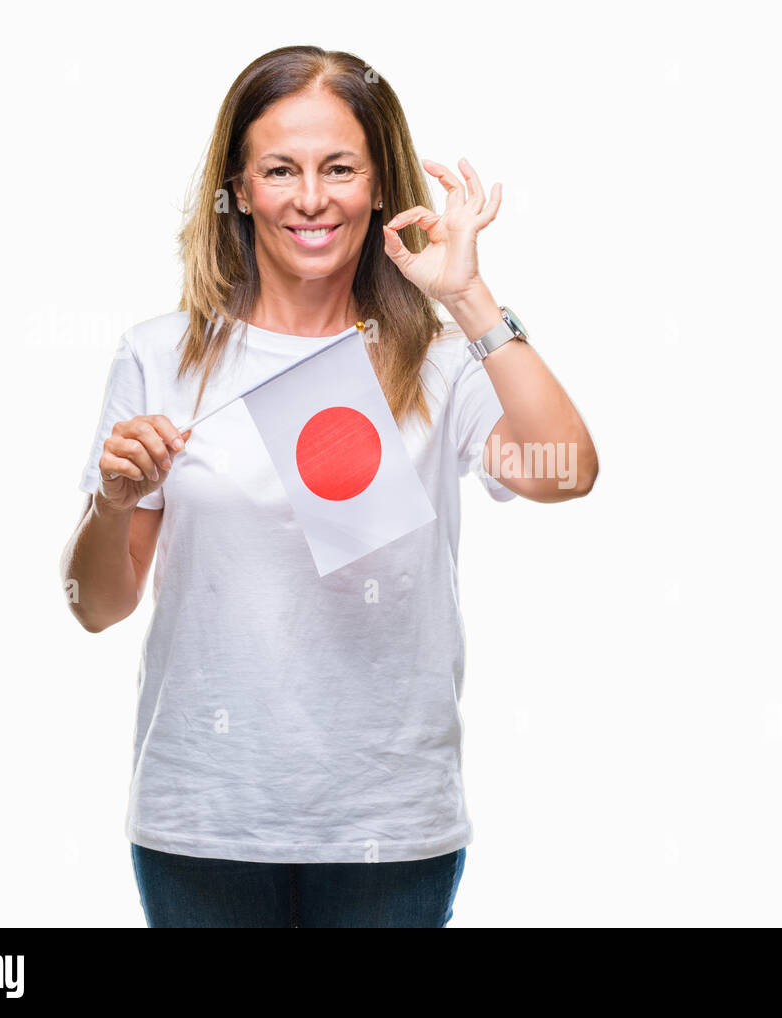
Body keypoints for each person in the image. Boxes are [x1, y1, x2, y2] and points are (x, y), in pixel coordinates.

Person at [58, 45, 598, 928]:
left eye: (339, 168)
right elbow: (96, 606)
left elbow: (566, 473)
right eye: (280, 169)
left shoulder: (438, 363)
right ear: (237, 187)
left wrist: (470, 302)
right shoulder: (160, 355)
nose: (311, 198)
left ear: (380, 184)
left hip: (389, 825)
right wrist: (111, 502)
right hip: (205, 819)